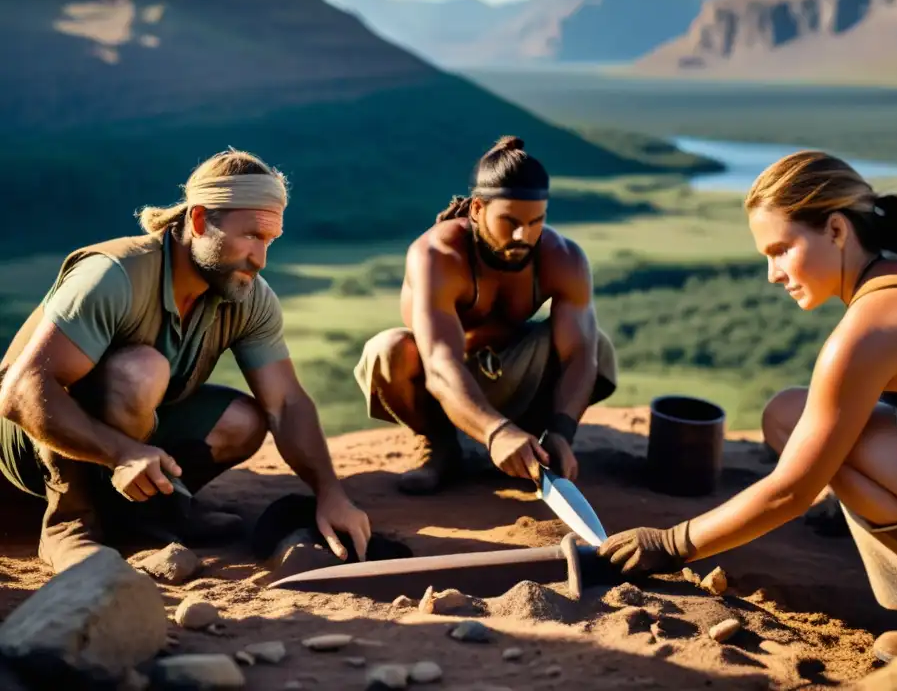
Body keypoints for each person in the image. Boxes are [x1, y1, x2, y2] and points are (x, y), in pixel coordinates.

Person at [596, 150, 897, 664]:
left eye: (781, 250)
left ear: (837, 230)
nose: (773, 274)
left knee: (830, 437)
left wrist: (669, 543)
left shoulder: (871, 328)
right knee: (790, 414)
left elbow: (790, 492)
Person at [0, 148, 371, 574]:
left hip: (125, 439)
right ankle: (71, 521)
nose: (260, 258)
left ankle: (153, 514)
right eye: (250, 235)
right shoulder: (114, 275)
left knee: (244, 420)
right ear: (197, 220)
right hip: (26, 442)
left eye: (269, 240)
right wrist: (122, 452)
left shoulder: (248, 294)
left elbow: (286, 403)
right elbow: (22, 390)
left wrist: (330, 493)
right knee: (141, 370)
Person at [354, 135, 618, 494]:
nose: (524, 235)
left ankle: (537, 445)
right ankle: (439, 448)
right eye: (510, 221)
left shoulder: (564, 257)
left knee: (594, 342)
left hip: (519, 377)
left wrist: (562, 431)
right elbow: (439, 363)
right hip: (447, 387)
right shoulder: (438, 256)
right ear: (477, 209)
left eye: (536, 221)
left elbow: (578, 356)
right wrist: (496, 431)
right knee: (388, 351)